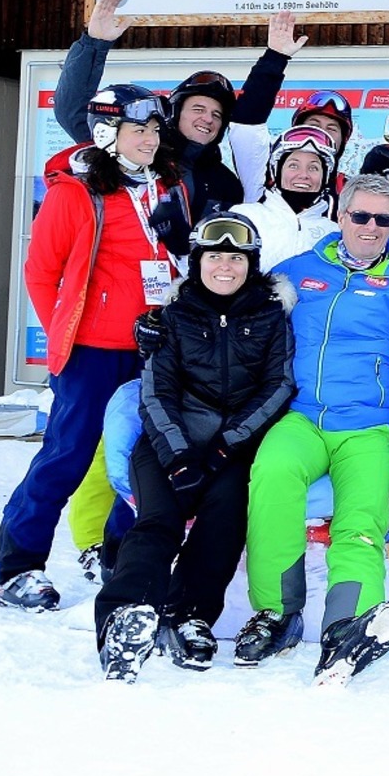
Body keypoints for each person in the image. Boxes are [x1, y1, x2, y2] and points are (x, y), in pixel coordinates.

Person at [237, 173, 389, 681]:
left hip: (369, 428)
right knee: (273, 475)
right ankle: (275, 614)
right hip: (301, 417)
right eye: (360, 216)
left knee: (362, 516)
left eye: (383, 219)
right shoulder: (296, 273)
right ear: (341, 216)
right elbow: (236, 319)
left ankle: (348, 626)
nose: (370, 227)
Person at [0, 86, 183, 611]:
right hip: (92, 353)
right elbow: (41, 273)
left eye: (154, 130)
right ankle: (13, 568)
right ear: (108, 134)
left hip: (152, 350)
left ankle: (119, 558)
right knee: (67, 457)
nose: (149, 139)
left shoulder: (166, 188)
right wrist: (67, 336)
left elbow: (171, 267)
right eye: (137, 129)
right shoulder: (77, 192)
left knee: (141, 460)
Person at [95, 213, 295, 679]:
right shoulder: (172, 316)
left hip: (232, 446)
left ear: (251, 264)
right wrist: (178, 454)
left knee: (221, 524)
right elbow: (155, 390)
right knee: (157, 521)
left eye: (236, 257)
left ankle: (191, 616)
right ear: (197, 261)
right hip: (172, 441)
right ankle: (123, 619)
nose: (224, 267)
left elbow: (279, 385)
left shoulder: (270, 316)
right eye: (214, 257)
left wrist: (228, 445)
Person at [56, 0, 307, 218]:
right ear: (175, 113)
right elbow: (72, 110)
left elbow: (248, 120)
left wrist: (275, 58)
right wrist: (94, 43)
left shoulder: (226, 183)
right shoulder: (137, 151)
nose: (208, 119)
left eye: (217, 115)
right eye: (198, 109)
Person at [230, 125, 342, 271]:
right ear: (277, 171)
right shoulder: (246, 217)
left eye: (313, 168)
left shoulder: (334, 232)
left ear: (325, 176)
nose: (303, 175)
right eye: (293, 165)